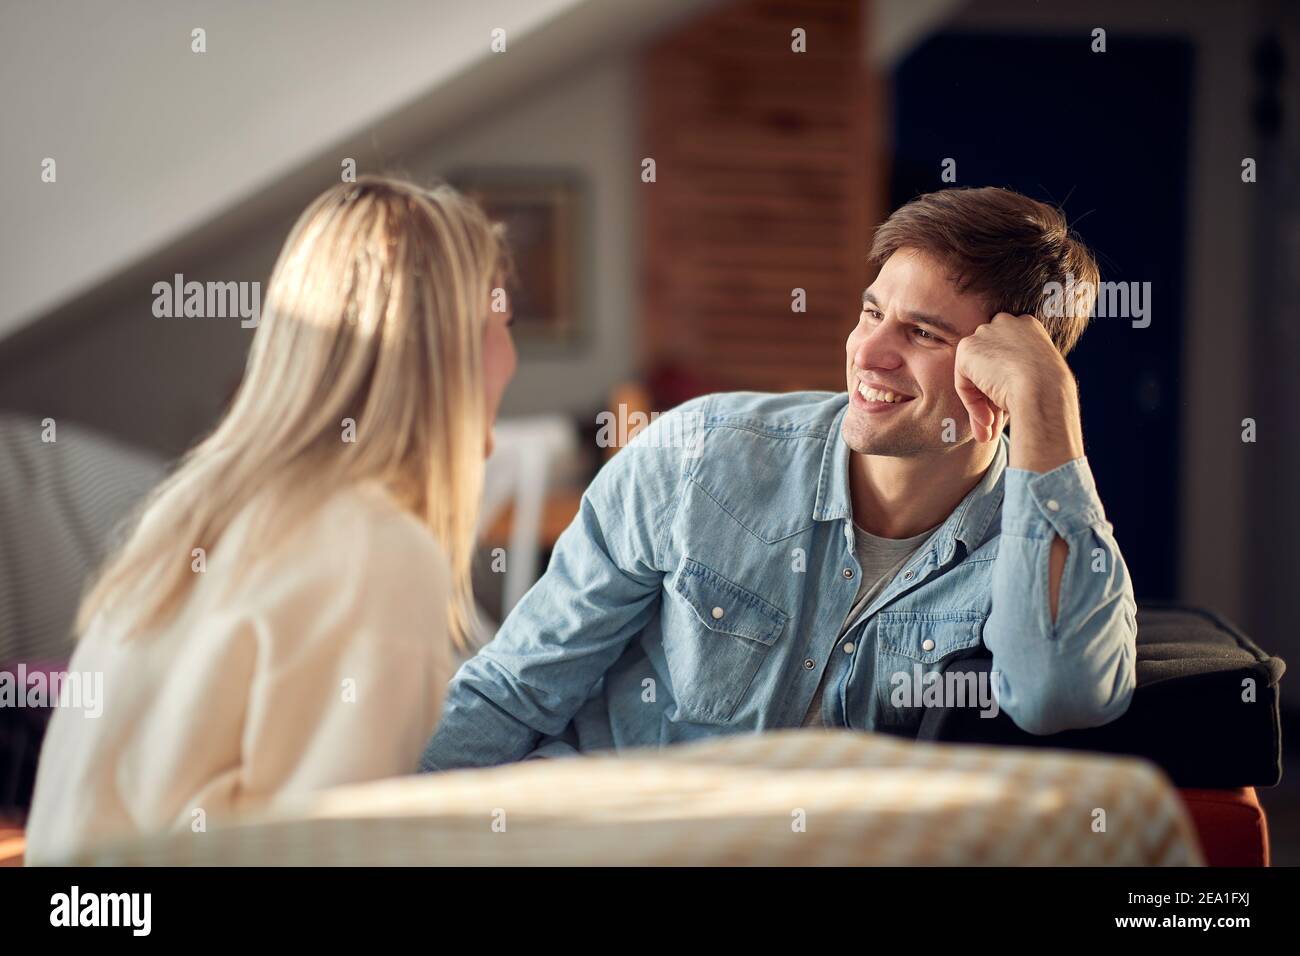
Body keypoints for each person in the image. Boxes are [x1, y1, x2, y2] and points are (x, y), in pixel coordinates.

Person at [421, 186, 1136, 771]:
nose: (868, 354)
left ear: (1002, 370)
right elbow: (515, 691)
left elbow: (1057, 693)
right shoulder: (698, 457)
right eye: (870, 312)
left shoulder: (1040, 544)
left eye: (922, 334)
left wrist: (1048, 400)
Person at [25, 175, 516, 861]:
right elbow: (341, 854)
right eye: (503, 324)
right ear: (450, 348)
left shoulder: (193, 508)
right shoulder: (377, 548)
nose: (512, 357)